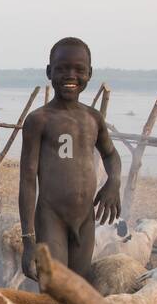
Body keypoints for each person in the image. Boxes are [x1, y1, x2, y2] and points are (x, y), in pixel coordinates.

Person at [19, 37, 121, 282]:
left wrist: (114, 183)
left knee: (78, 289)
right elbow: (27, 180)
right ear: (49, 72)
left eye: (79, 70)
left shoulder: (93, 118)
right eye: (62, 68)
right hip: (51, 216)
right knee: (55, 287)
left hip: (85, 218)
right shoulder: (39, 120)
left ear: (89, 74)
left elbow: (111, 154)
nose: (70, 75)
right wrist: (28, 240)